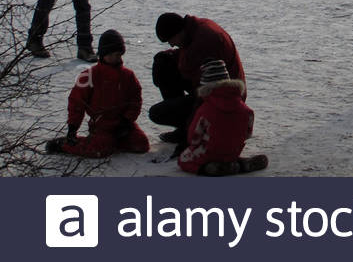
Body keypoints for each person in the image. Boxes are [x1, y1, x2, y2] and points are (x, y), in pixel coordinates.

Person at [45, 29, 150, 158]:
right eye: (110, 55)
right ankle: (65, 144)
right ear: (102, 55)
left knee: (141, 144)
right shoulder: (89, 75)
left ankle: (112, 142)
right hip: (102, 125)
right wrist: (73, 128)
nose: (114, 58)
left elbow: (135, 100)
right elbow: (76, 102)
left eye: (117, 54)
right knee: (98, 150)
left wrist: (127, 121)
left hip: (123, 123)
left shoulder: (128, 75)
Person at [149, 11, 245, 148]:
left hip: (225, 98)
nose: (171, 45)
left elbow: (205, 95)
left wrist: (189, 137)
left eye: (170, 40)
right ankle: (187, 126)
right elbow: (187, 59)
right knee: (164, 63)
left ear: (178, 32)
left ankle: (190, 128)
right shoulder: (194, 30)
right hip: (212, 85)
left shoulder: (204, 42)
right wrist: (163, 59)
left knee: (157, 113)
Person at [176, 59, 266, 176]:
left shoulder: (205, 109)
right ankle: (239, 164)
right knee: (227, 155)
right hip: (233, 151)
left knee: (183, 160)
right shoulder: (245, 109)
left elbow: (193, 138)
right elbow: (248, 134)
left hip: (209, 153)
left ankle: (208, 168)